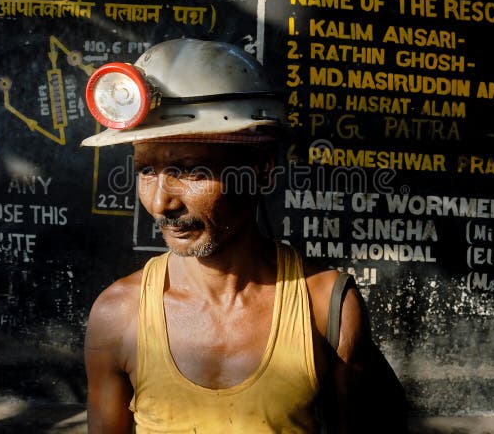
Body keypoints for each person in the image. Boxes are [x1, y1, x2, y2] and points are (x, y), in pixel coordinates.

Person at [80, 38, 382, 433]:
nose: (160, 203)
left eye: (189, 170)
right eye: (146, 171)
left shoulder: (327, 307)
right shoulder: (117, 315)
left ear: (262, 169)